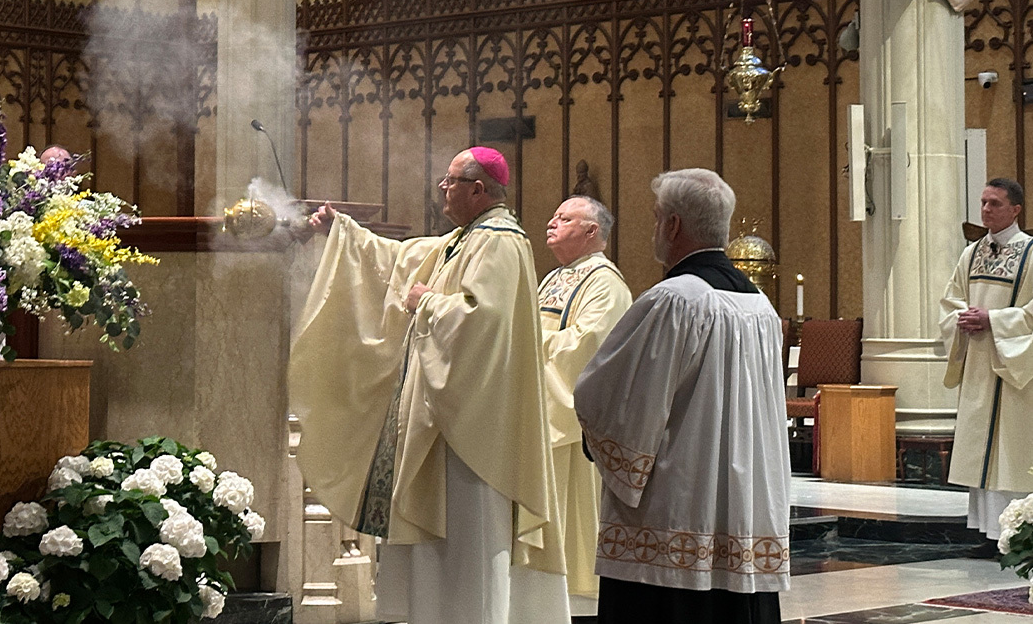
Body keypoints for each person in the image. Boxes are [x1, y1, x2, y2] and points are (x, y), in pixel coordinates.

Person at [289, 147, 570, 624]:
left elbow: (486, 319)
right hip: (442, 425)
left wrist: (427, 303)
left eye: (451, 181)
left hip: (472, 434)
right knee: (440, 553)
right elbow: (401, 257)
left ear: (478, 189)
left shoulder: (501, 241)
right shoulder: (465, 239)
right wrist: (343, 230)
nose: (443, 188)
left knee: (468, 546)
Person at [574, 168, 790, 624]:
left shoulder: (673, 299)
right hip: (745, 506)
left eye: (656, 218)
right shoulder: (761, 307)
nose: (654, 228)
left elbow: (615, 397)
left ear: (672, 225)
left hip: (676, 508)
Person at [538, 195, 632, 616]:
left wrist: (522, 343)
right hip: (541, 408)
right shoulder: (555, 277)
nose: (551, 223)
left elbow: (589, 346)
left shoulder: (605, 282)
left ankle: (578, 603)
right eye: (554, 216)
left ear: (592, 231)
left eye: (564, 218)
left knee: (572, 515)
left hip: (573, 422)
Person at [940, 177, 1033, 541]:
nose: (985, 209)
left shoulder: (1030, 252)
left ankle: (1016, 533)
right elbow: (951, 301)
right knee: (981, 450)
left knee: (1010, 451)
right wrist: (962, 318)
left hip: (1013, 366)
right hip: (978, 360)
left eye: (994, 203)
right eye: (983, 202)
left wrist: (992, 320)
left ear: (1016, 209)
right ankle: (986, 529)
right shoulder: (972, 253)